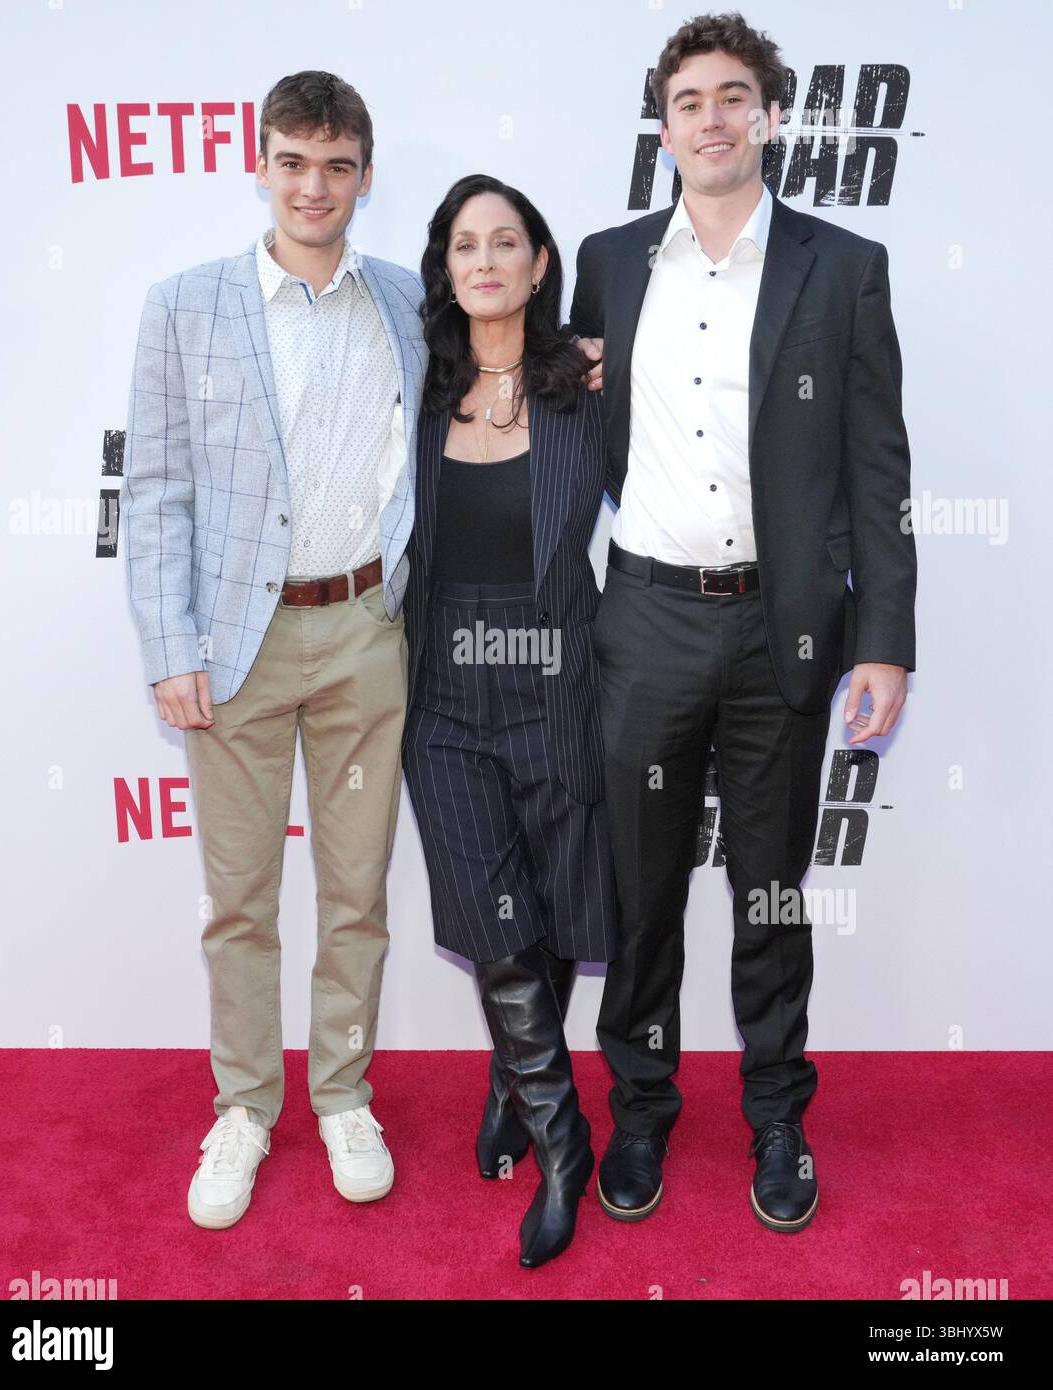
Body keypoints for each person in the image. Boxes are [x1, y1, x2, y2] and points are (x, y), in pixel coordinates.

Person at [568, 12, 917, 1231]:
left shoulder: (840, 263)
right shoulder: (606, 265)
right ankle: (642, 1110)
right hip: (648, 618)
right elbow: (567, 430)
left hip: (787, 630)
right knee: (641, 889)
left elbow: (875, 469)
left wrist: (883, 636)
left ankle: (776, 1113)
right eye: (686, 101)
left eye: (731, 97)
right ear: (660, 127)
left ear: (767, 114)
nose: (708, 118)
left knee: (770, 889)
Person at [122, 71, 427, 1228]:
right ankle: (246, 1105)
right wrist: (169, 643)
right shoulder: (184, 305)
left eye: (337, 165)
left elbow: (491, 396)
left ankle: (342, 1090)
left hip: (365, 632)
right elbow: (153, 490)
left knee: (356, 892)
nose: (314, 185)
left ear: (361, 175)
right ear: (259, 165)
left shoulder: (404, 302)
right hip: (234, 641)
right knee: (239, 899)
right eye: (293, 161)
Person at [402, 175, 618, 1267]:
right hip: (436, 685)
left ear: (538, 261)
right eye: (462, 245)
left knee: (540, 904)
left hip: (550, 671)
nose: (483, 260)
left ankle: (506, 1089)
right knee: (489, 911)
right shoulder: (415, 382)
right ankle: (562, 1136)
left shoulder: (587, 384)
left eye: (505, 242)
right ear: (444, 269)